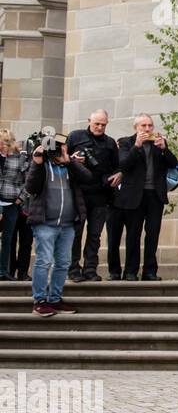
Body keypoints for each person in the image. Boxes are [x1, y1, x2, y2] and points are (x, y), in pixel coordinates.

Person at [25, 137, 95, 316]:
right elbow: (31, 187)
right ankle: (39, 300)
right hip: (45, 223)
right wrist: (37, 162)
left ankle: (55, 299)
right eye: (56, 150)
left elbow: (88, 177)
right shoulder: (42, 166)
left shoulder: (70, 167)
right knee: (44, 261)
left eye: (62, 149)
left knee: (63, 263)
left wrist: (70, 161)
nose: (59, 153)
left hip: (67, 224)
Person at [115, 114, 178, 281]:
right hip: (134, 195)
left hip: (155, 195)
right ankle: (130, 271)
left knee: (153, 234)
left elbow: (173, 164)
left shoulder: (158, 143)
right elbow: (123, 165)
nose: (147, 129)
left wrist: (165, 148)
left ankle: (150, 271)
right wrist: (136, 146)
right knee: (133, 234)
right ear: (136, 127)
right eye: (143, 126)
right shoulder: (125, 142)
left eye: (150, 125)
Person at [66, 109, 121, 282]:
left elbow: (117, 166)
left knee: (95, 235)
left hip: (101, 194)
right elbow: (61, 158)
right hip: (78, 193)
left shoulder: (110, 143)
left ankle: (90, 269)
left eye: (103, 125)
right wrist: (73, 159)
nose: (99, 127)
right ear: (89, 120)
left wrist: (119, 174)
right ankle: (73, 269)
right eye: (97, 123)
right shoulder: (75, 136)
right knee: (76, 233)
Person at [0, 129, 28, 281]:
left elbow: (28, 181)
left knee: (7, 238)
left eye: (4, 142)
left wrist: (21, 198)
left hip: (11, 202)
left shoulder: (19, 158)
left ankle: (3, 271)